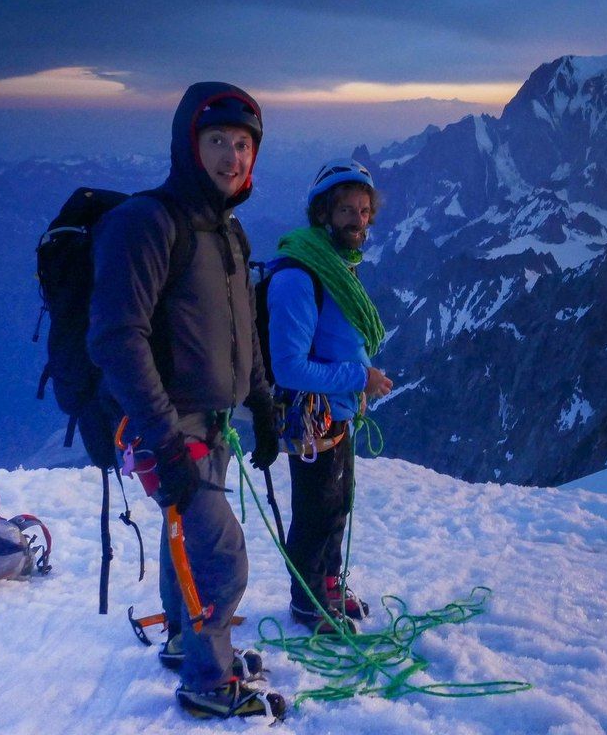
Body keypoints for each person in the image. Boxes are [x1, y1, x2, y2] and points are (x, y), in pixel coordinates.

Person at [87, 81, 284, 720]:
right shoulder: (149, 223)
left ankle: (184, 638)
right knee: (220, 554)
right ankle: (208, 680)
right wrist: (164, 438)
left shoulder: (228, 231)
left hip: (214, 419)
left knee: (189, 542)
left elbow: (243, 329)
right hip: (168, 422)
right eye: (218, 141)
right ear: (188, 145)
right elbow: (118, 337)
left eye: (244, 144)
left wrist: (261, 401)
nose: (233, 157)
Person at [265, 158, 393, 633]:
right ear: (323, 213)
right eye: (346, 210)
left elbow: (341, 340)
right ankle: (307, 600)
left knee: (336, 504)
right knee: (316, 511)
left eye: (363, 210)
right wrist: (360, 379)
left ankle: (329, 583)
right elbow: (289, 366)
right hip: (309, 416)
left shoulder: (337, 267)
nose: (357, 220)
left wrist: (355, 386)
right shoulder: (300, 277)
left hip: (335, 411)